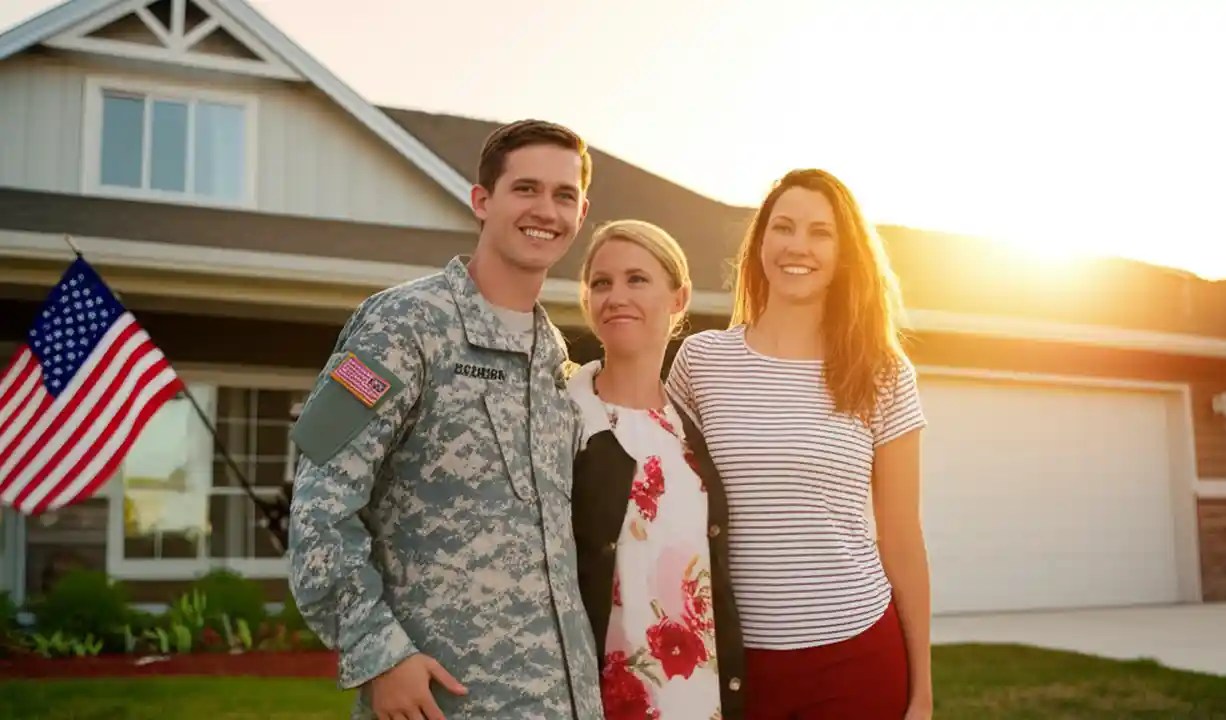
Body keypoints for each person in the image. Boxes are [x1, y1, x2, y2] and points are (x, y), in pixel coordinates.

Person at [287, 119, 605, 720]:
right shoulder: (404, 324)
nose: (546, 210)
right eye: (526, 189)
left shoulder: (553, 358)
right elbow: (320, 501)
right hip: (443, 701)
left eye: (565, 195)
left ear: (581, 212)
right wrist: (377, 651)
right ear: (482, 200)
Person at [666, 169, 933, 720]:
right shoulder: (702, 361)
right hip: (735, 663)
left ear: (844, 254)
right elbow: (662, 500)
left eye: (820, 232)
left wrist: (922, 690)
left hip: (855, 655)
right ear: (760, 244)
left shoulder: (881, 372)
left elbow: (902, 537)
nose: (798, 246)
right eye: (783, 228)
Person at [567, 220, 746, 720]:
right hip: (598, 702)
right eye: (601, 283)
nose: (615, 296)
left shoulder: (694, 435)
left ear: (679, 298)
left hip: (698, 698)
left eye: (636, 279)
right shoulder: (561, 424)